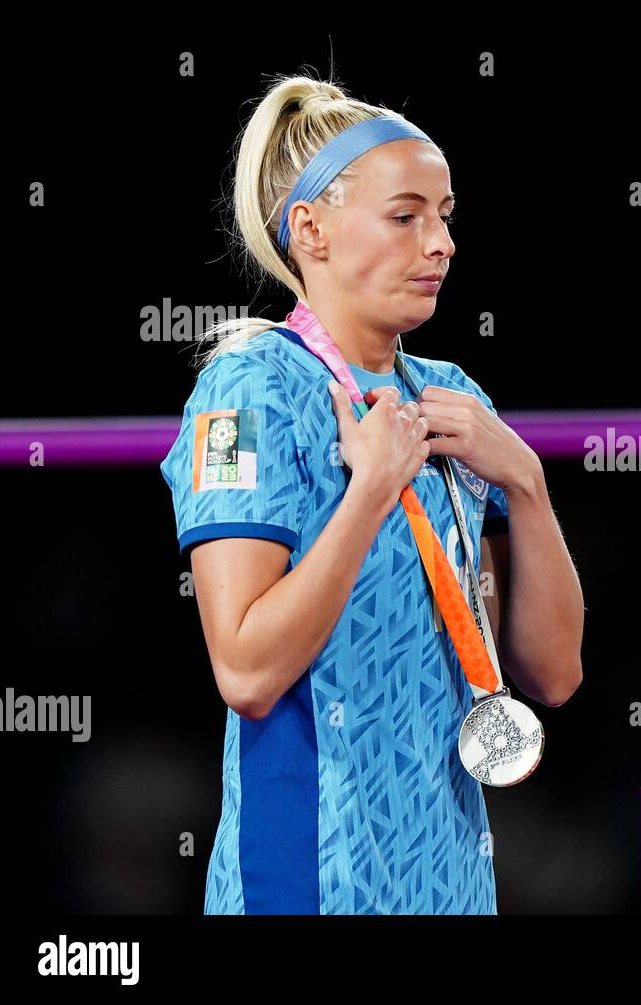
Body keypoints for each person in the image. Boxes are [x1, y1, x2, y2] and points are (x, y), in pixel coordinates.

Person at [159, 74, 584, 915]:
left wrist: (527, 483)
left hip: (451, 875)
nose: (442, 244)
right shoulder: (245, 392)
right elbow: (245, 669)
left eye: (446, 215)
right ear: (309, 229)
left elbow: (555, 671)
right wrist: (372, 493)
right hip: (308, 879)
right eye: (406, 216)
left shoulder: (453, 395)